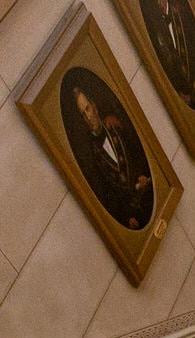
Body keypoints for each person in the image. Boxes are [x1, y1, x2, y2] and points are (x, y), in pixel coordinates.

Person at [62, 73, 156, 231]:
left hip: (150, 193)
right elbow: (107, 194)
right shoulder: (93, 155)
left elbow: (138, 150)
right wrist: (127, 216)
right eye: (83, 114)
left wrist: (142, 173)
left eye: (88, 109)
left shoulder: (115, 125)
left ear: (94, 107)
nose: (88, 117)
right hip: (132, 215)